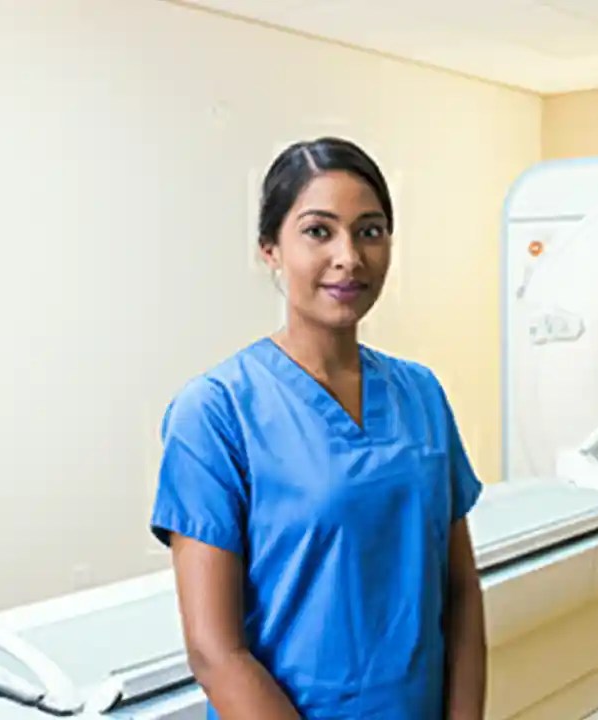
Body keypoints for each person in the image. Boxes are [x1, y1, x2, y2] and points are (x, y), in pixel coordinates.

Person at [149, 137, 487, 719]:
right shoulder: (214, 412)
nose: (349, 257)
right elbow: (215, 652)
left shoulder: (422, 394)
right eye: (318, 231)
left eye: (370, 231)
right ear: (269, 248)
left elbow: (459, 594)